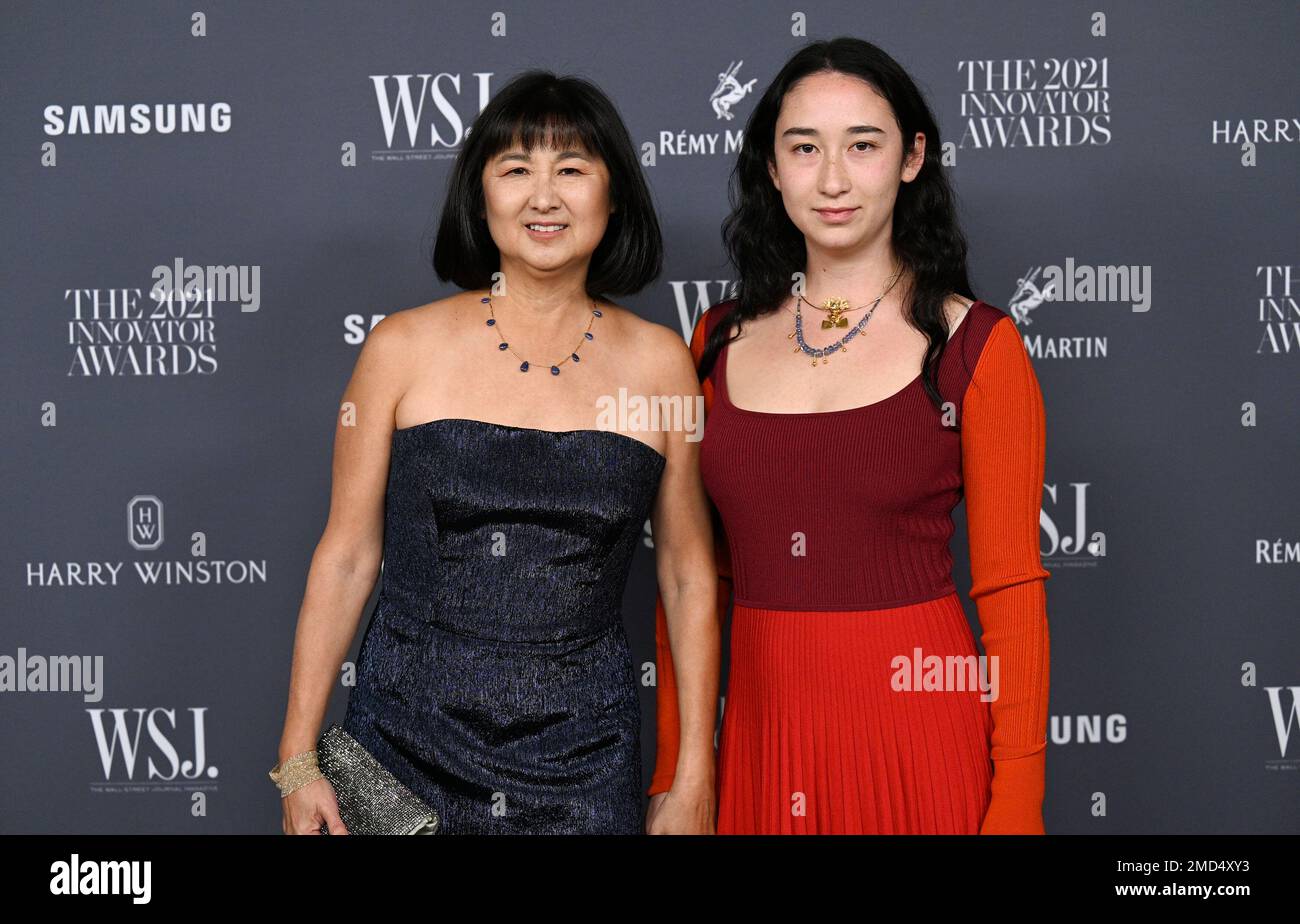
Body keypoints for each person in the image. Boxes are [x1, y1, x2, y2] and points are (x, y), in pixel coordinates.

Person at [271, 71, 719, 834]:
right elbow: (346, 555)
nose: (544, 197)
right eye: (516, 170)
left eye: (572, 169)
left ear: (614, 196)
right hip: (403, 751)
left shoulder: (660, 362)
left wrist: (693, 778)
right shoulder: (401, 347)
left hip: (588, 760)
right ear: (481, 196)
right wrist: (299, 760)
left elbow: (685, 573)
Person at [646, 37, 1052, 834]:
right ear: (771, 166)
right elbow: (692, 580)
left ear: (912, 158)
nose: (832, 180)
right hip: (763, 744)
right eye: (804, 148)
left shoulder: (979, 348)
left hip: (920, 737)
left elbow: (1011, 594)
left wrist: (1018, 811)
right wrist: (678, 771)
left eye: (863, 145)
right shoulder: (714, 343)